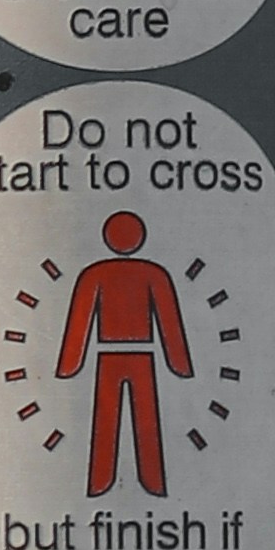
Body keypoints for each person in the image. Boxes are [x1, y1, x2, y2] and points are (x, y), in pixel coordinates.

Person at [53, 208, 192, 498]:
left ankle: (102, 482)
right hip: (139, 356)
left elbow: (80, 321)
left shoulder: (96, 273)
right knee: (141, 417)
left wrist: (70, 364)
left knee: (110, 418)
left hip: (113, 356)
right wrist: (178, 363)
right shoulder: (152, 273)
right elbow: (169, 322)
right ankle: (150, 483)